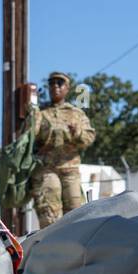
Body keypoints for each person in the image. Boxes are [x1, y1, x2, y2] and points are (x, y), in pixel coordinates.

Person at [29, 71, 96, 228]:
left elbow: (89, 137)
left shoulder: (76, 113)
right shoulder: (41, 113)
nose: (55, 87)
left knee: (76, 214)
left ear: (67, 88)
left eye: (60, 83)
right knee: (50, 215)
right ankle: (51, 248)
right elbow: (30, 136)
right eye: (52, 83)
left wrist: (77, 132)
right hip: (47, 168)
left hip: (70, 169)